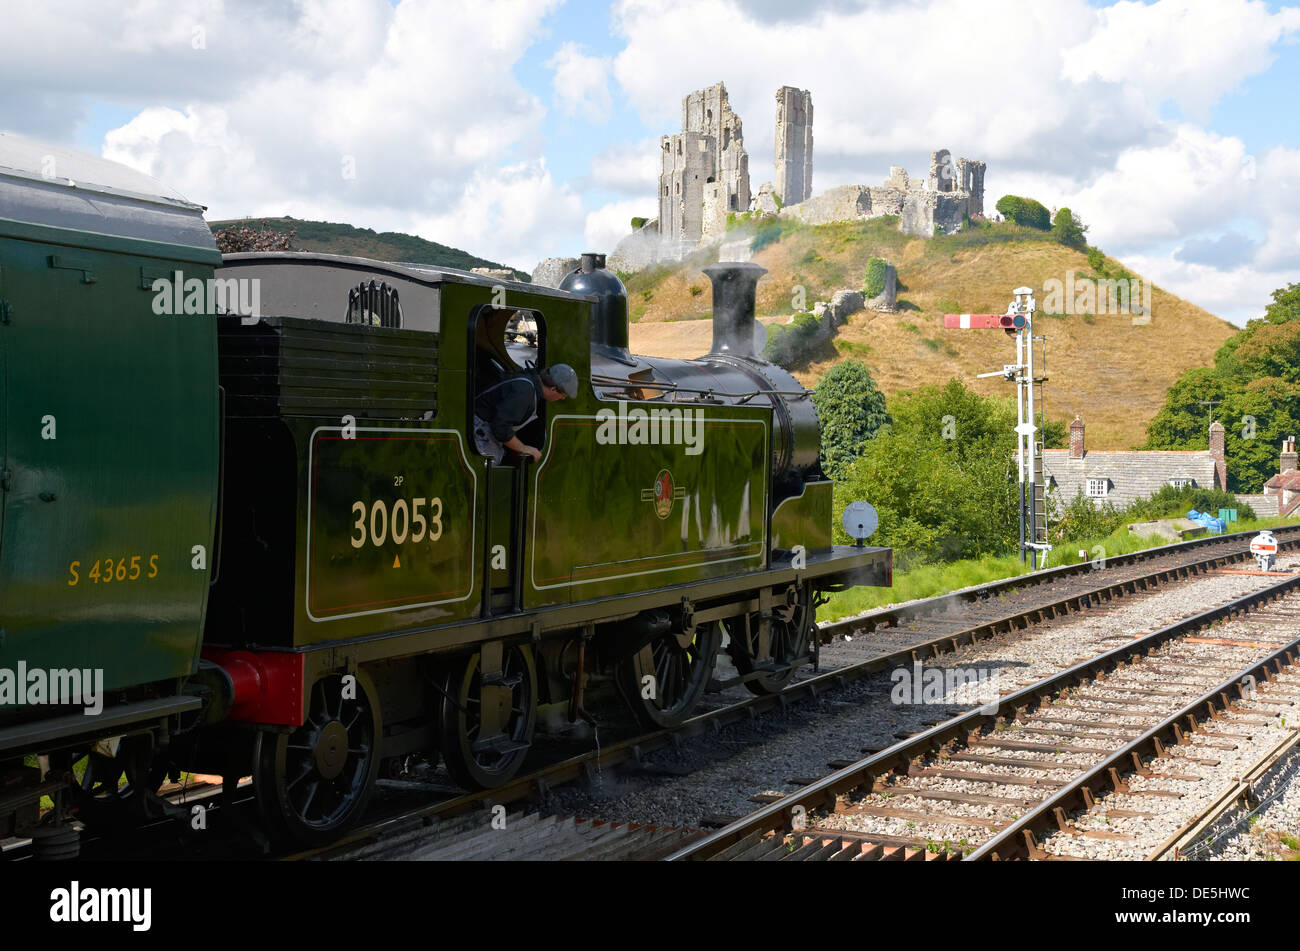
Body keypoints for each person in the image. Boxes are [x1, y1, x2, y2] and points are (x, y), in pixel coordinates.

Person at [473, 363, 578, 464]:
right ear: (553, 389)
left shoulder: (529, 380)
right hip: (480, 433)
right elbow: (500, 427)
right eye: (563, 395)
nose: (563, 398)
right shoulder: (525, 391)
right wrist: (523, 448)